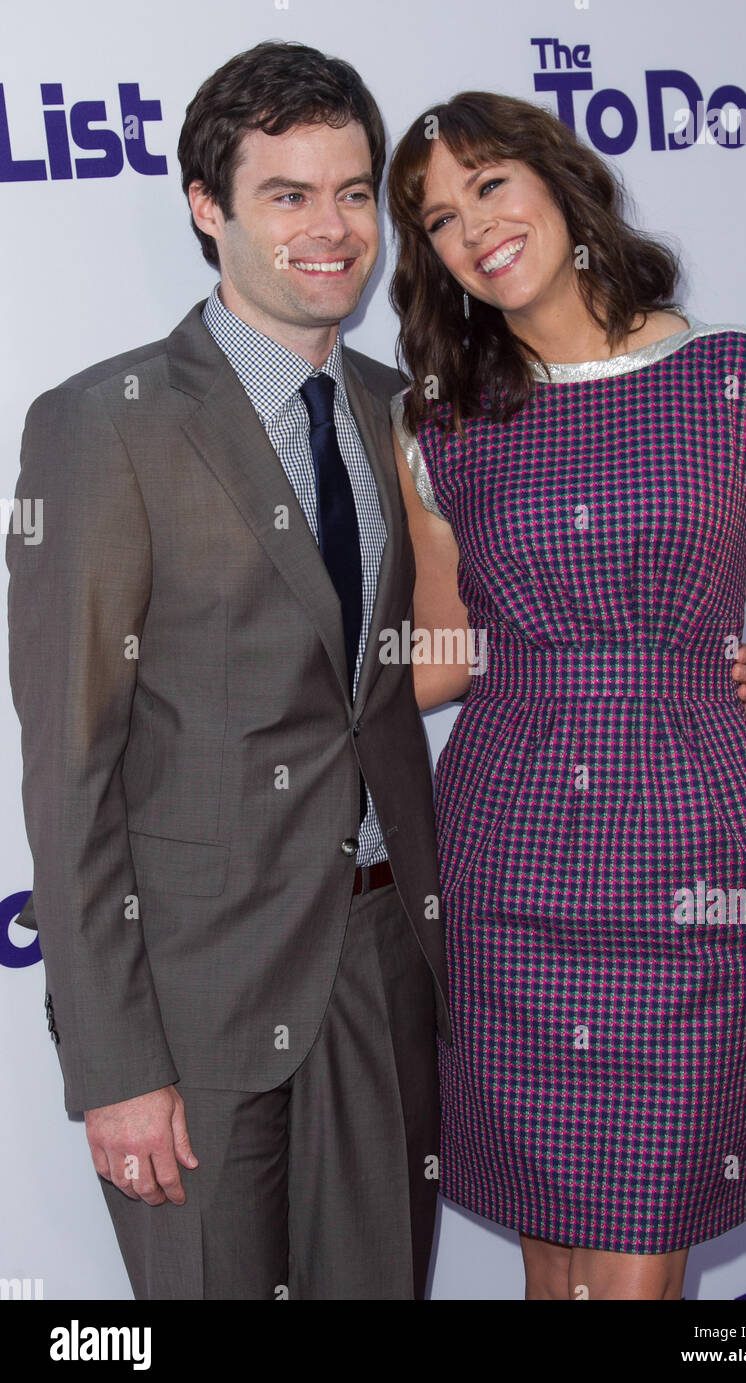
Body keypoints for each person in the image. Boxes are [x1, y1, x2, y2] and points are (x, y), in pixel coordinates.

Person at [386, 90, 746, 1301]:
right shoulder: (436, 424)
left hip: (694, 852)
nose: (473, 229)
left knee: (638, 1261)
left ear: (556, 180)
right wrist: (266, 679)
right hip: (504, 852)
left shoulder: (743, 381)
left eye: (489, 185)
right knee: (555, 1262)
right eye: (438, 219)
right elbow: (445, 648)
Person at [5, 41, 451, 1301]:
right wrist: (112, 1062)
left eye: (355, 191)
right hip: (191, 998)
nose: (333, 229)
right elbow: (70, 766)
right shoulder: (106, 424)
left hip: (377, 968)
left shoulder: (397, 409)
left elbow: (424, 653)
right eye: (288, 194)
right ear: (209, 209)